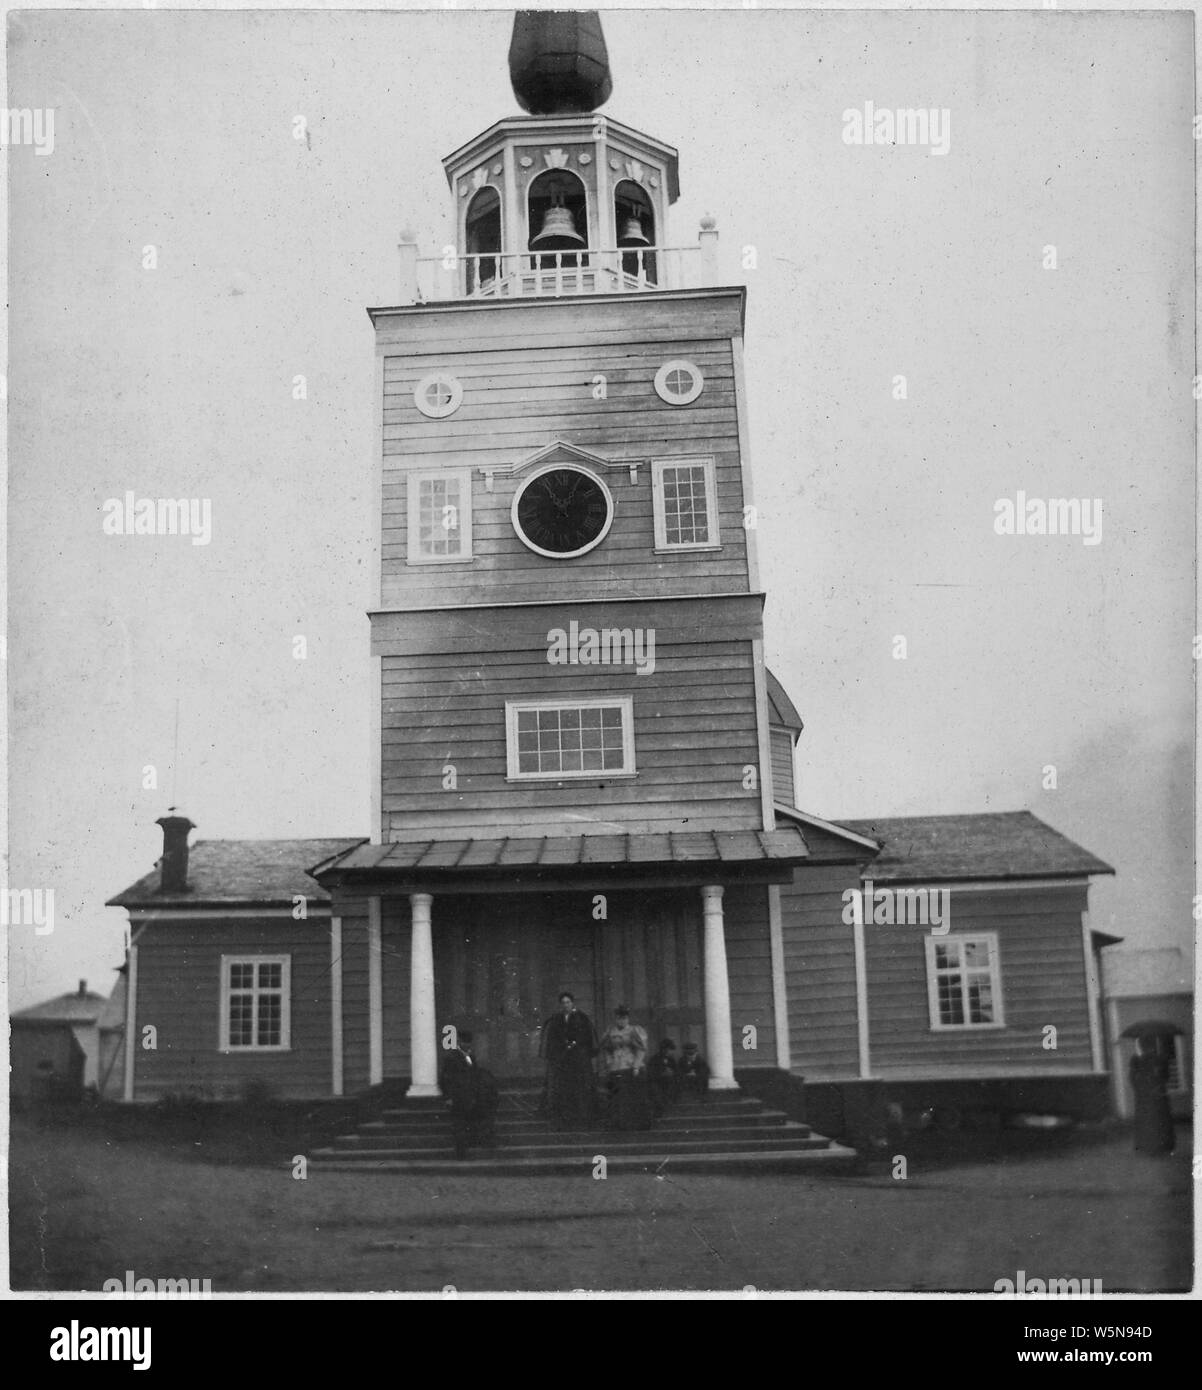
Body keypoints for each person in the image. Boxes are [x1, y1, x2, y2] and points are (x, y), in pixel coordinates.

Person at [539, 992, 597, 1130]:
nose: (566, 1005)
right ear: (561, 1005)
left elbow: (587, 1037)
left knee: (580, 1088)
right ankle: (563, 1120)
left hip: (578, 1060)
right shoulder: (555, 1019)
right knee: (561, 1088)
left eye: (568, 1002)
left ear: (572, 1003)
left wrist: (575, 1044)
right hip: (562, 1059)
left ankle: (581, 1119)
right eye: (563, 1003)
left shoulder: (582, 1018)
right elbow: (551, 1038)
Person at [440, 1030, 498, 1159]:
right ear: (459, 1042)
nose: (467, 1045)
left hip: (471, 1096)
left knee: (470, 1123)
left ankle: (474, 1147)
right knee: (459, 1125)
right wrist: (448, 1097)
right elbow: (445, 1079)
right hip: (458, 1097)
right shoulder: (451, 1058)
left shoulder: (471, 1057)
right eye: (464, 1043)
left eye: (469, 1043)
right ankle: (460, 1153)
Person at [600, 1005, 653, 1131]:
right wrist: (609, 1061)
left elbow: (641, 1049)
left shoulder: (634, 1031)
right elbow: (606, 1048)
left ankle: (635, 1123)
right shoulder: (610, 1031)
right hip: (616, 1067)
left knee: (631, 1096)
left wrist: (636, 1066)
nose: (621, 1021)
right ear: (616, 1019)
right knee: (617, 1097)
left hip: (630, 1066)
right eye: (619, 1018)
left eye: (624, 1018)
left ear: (628, 1019)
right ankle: (619, 1124)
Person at [1129, 1036, 1175, 1155]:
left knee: (1145, 1120)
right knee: (1161, 1120)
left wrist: (1139, 1088)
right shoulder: (1160, 1059)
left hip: (1144, 1095)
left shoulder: (1137, 1060)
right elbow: (1166, 1077)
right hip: (1158, 1093)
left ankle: (1145, 1146)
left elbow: (1132, 1078)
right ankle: (1163, 1146)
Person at [647, 1038, 679, 1114]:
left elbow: (677, 1072)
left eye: (671, 1050)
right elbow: (650, 1074)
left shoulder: (672, 1060)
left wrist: (672, 1073)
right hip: (658, 1083)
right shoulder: (654, 1059)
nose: (670, 1052)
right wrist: (662, 1074)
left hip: (670, 1083)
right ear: (663, 1049)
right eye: (668, 1049)